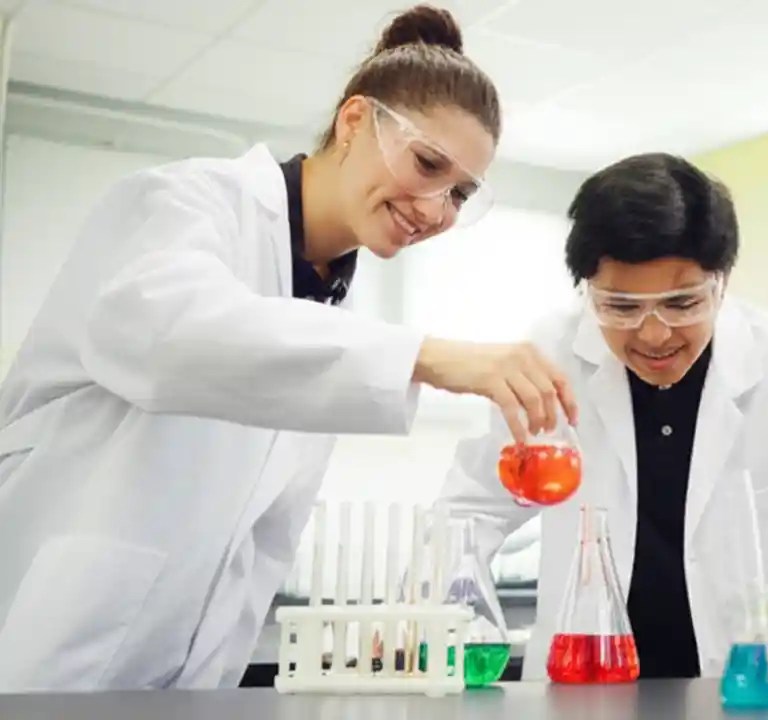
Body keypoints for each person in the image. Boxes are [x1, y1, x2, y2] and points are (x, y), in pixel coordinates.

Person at [0, 5, 576, 691]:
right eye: (427, 164)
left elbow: (259, 539)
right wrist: (426, 355)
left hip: (191, 683)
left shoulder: (330, 302)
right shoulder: (184, 203)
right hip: (49, 651)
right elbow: (166, 333)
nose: (434, 209)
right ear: (354, 120)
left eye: (460, 193)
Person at [440, 153, 768, 680]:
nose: (653, 334)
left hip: (754, 693)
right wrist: (444, 614)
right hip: (587, 692)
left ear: (722, 282)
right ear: (586, 289)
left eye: (681, 304)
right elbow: (467, 513)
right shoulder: (550, 360)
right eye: (621, 307)